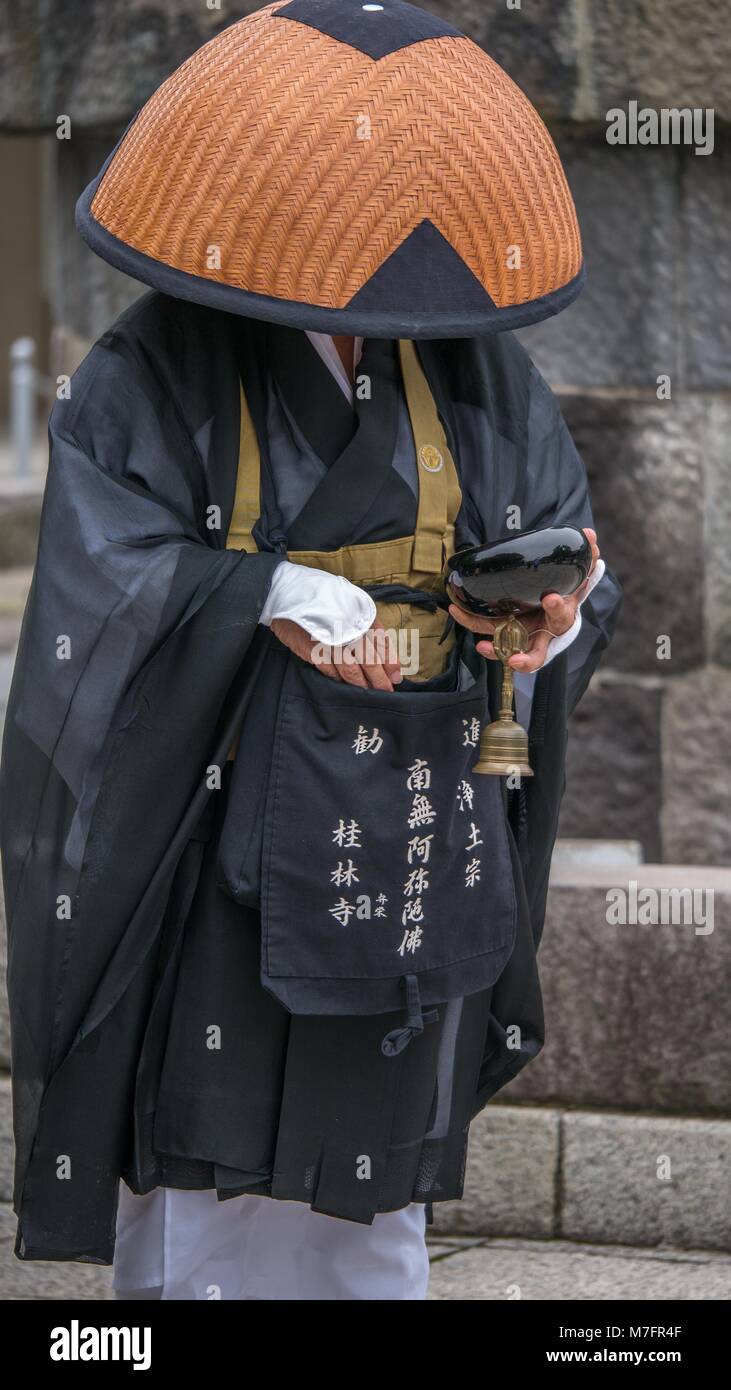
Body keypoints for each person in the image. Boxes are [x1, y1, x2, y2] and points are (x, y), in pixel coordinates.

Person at [0, 0, 621, 1300]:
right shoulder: (153, 370)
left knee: (373, 1200)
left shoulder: (472, 371)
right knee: (204, 1190)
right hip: (224, 830)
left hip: (406, 817)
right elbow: (94, 592)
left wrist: (556, 612)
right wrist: (255, 595)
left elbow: (558, 537)